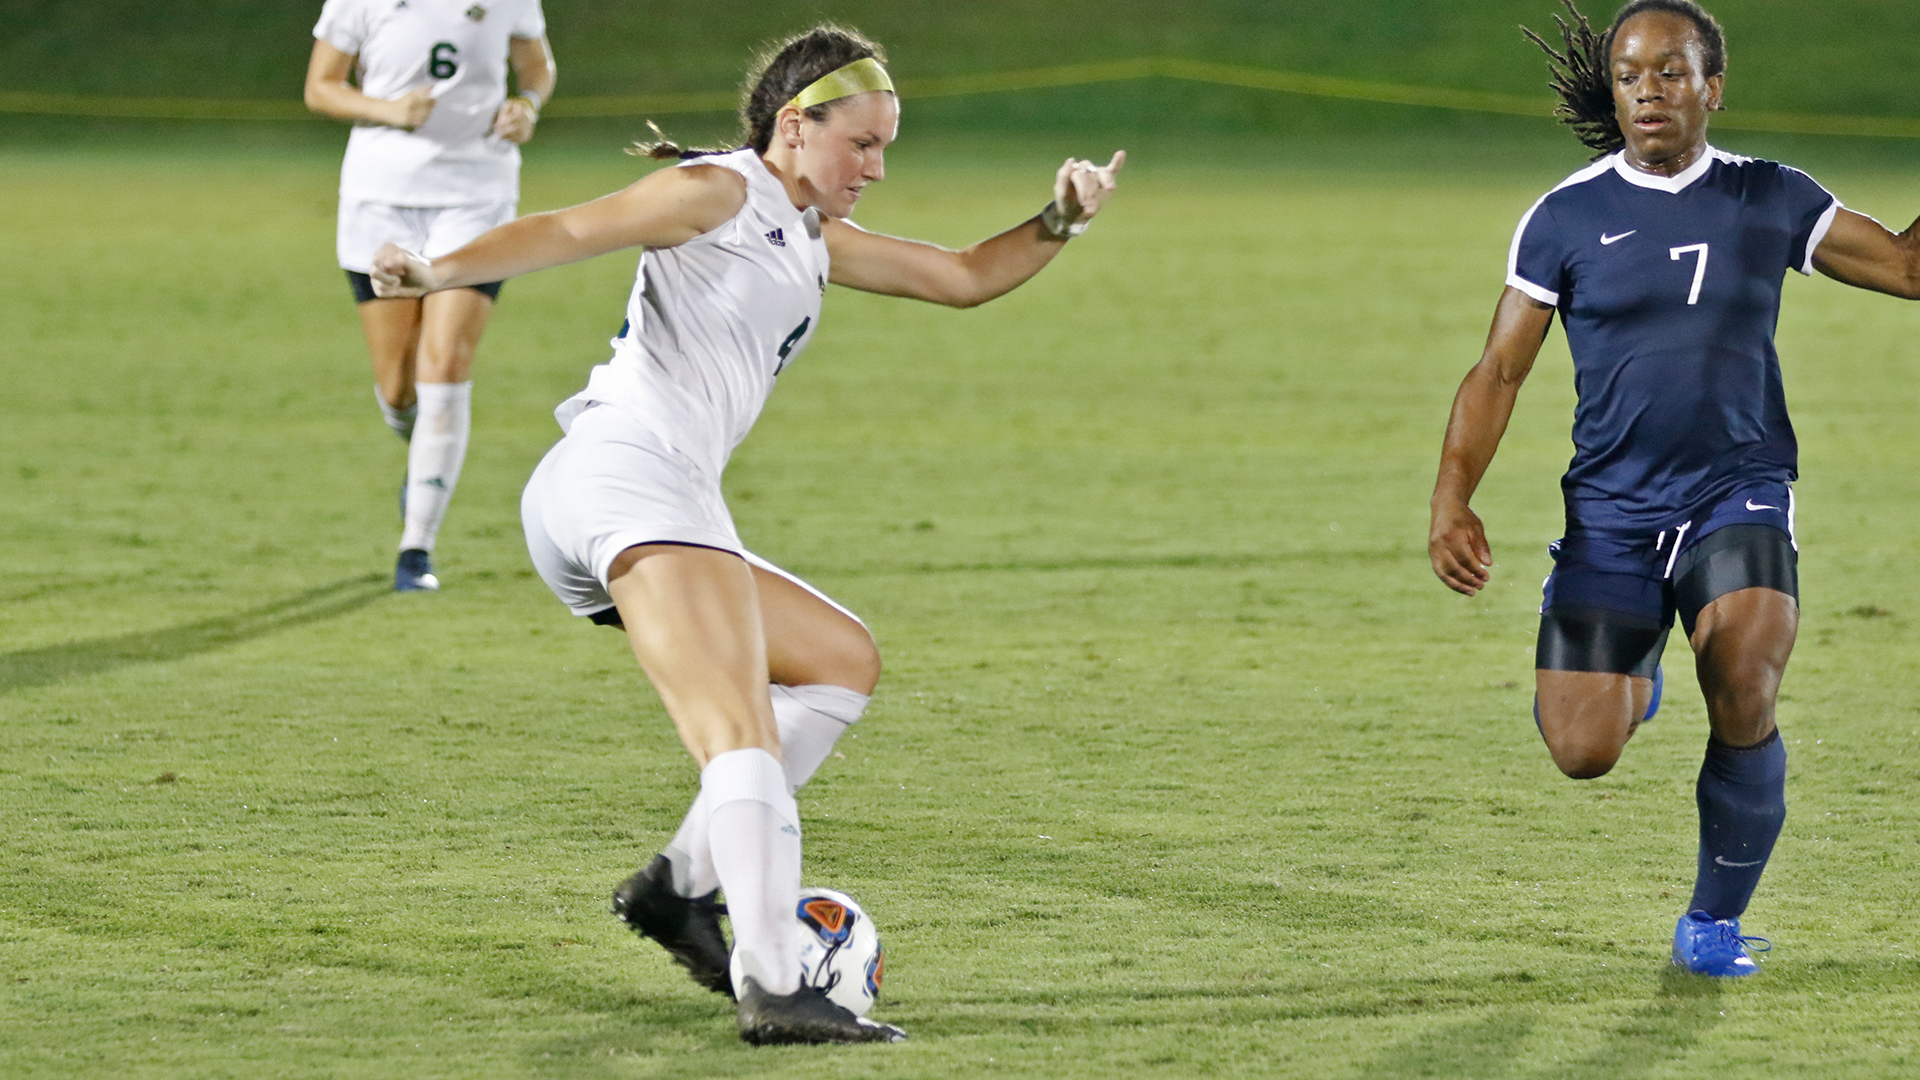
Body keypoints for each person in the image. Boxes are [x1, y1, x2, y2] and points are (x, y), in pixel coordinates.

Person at [369, 25, 1123, 1043]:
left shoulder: (806, 233)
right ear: (793, 125)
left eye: (886, 145)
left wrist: (1059, 219)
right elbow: (567, 229)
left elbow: (961, 277)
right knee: (740, 735)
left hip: (636, 496)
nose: (877, 166)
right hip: (626, 481)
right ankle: (775, 985)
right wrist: (433, 271)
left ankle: (677, 890)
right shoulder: (720, 191)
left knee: (840, 662)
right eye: (860, 143)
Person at [1429, 0, 1920, 977]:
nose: (1647, 91)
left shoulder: (1771, 196)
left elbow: (1908, 270)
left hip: (1737, 491)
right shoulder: (1565, 216)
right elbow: (1498, 372)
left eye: (1669, 72)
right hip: (1609, 514)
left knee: (1744, 671)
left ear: (1712, 86)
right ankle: (1632, 669)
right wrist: (1453, 496)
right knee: (1581, 750)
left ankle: (1712, 922)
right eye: (1629, 75)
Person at [304, 0, 557, 591]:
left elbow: (537, 68)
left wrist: (528, 105)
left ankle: (416, 547)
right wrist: (386, 109)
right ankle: (422, 455)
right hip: (381, 200)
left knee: (445, 362)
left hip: (476, 195)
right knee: (397, 385)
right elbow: (321, 87)